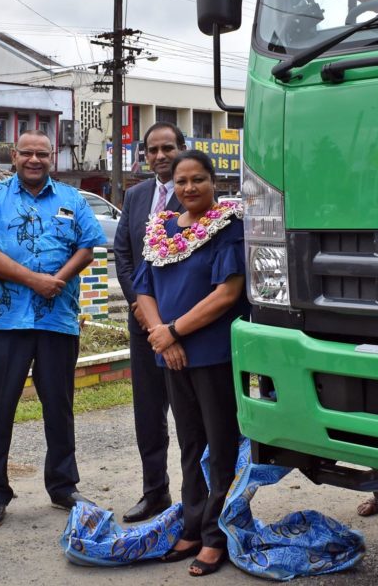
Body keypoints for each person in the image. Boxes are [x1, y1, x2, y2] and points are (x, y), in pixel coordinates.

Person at [0, 130, 104, 529]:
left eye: (43, 153)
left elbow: (88, 246)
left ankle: (63, 486)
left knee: (59, 406)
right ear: (14, 155)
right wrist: (34, 280)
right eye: (28, 153)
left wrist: (56, 278)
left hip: (57, 319)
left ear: (51, 156)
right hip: (5, 321)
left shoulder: (71, 199)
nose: (35, 159)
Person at [134, 150, 250, 577]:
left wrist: (175, 331)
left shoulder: (227, 227)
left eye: (198, 179)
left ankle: (218, 534)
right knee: (190, 445)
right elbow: (143, 288)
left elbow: (227, 293)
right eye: (181, 181)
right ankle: (193, 525)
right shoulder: (161, 228)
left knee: (220, 445)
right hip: (172, 354)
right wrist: (162, 338)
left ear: (213, 181)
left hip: (213, 353)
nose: (189, 188)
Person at [113, 121, 185, 522]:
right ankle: (154, 492)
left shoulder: (196, 192)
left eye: (168, 148)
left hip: (184, 327)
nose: (160, 156)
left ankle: (202, 497)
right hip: (143, 325)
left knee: (191, 414)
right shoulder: (136, 195)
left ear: (182, 148)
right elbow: (123, 254)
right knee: (148, 413)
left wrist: (170, 321)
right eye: (152, 150)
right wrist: (140, 307)